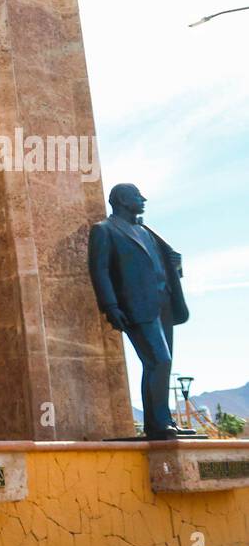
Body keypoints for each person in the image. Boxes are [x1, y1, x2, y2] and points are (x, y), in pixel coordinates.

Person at [88, 183, 188, 438]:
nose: (142, 199)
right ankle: (158, 423)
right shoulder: (104, 230)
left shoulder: (146, 231)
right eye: (136, 196)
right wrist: (110, 306)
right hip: (136, 307)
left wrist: (175, 265)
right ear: (122, 200)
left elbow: (164, 260)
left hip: (163, 301)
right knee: (159, 360)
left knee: (160, 364)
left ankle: (160, 420)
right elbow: (99, 270)